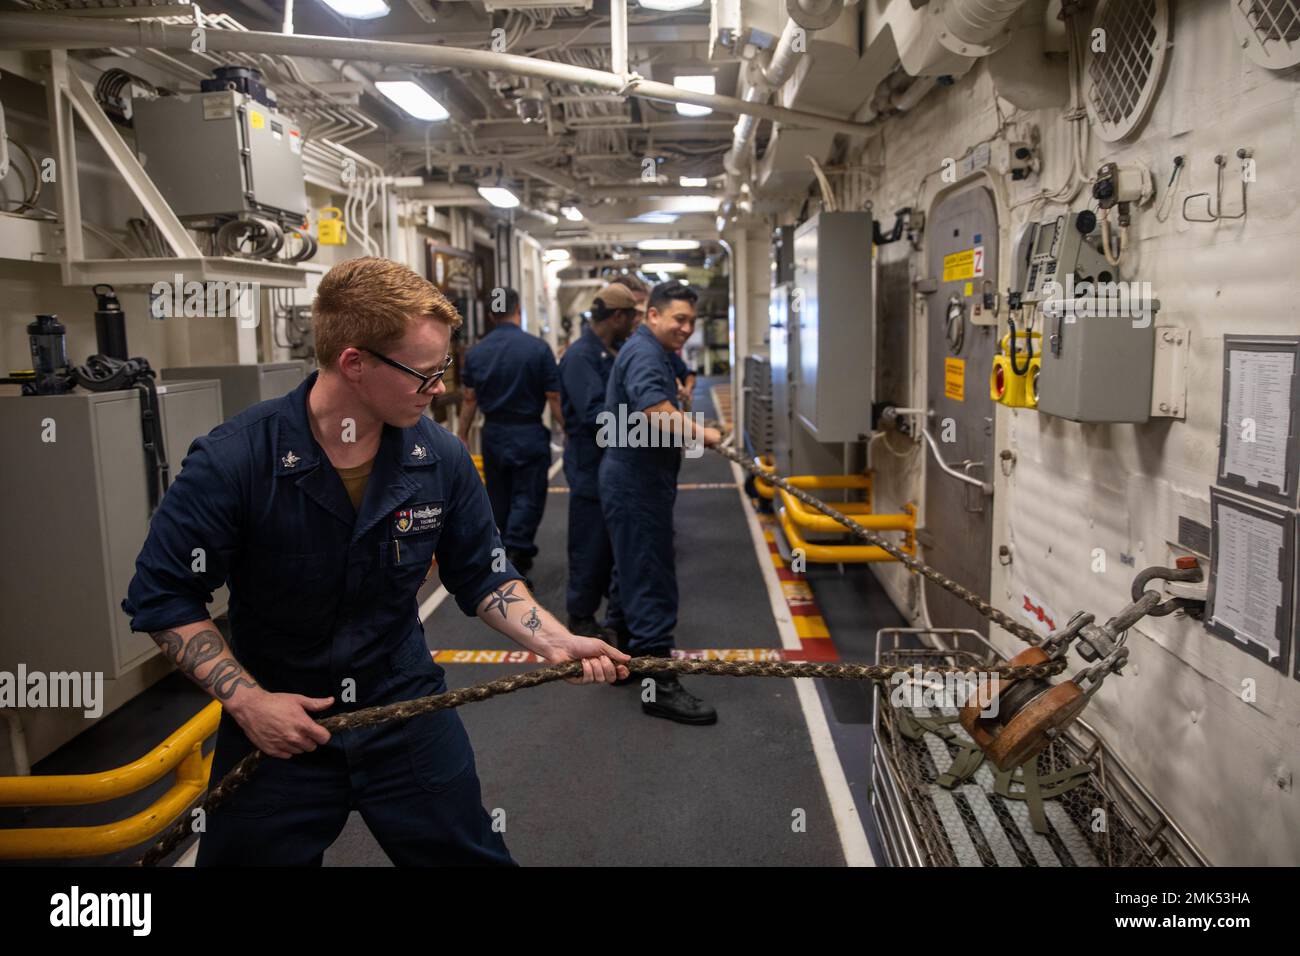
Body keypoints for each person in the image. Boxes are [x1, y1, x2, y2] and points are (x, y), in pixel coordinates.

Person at [122, 257, 628, 866]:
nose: (440, 387)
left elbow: (484, 573)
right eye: (424, 372)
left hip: (402, 706)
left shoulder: (438, 457)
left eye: (444, 368)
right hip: (282, 720)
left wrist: (552, 640)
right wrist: (250, 703)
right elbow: (163, 596)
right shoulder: (237, 462)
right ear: (353, 363)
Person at [600, 281, 722, 724]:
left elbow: (678, 372)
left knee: (630, 569)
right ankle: (659, 685)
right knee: (650, 574)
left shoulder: (655, 347)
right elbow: (654, 410)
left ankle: (625, 658)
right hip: (635, 481)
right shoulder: (643, 353)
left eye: (691, 321)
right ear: (652, 315)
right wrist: (700, 431)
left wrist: (684, 387)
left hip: (639, 477)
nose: (686, 329)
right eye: (679, 319)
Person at [456, 288, 563, 583]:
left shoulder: (477, 352)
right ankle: (516, 552)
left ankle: (502, 550)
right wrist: (567, 429)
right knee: (528, 495)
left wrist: (461, 435)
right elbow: (553, 395)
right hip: (528, 432)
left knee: (499, 496)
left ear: (490, 315)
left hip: (494, 434)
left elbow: (469, 399)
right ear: (518, 310)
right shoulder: (537, 349)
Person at [557, 283, 639, 640]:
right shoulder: (580, 357)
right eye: (631, 317)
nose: (634, 324)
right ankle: (580, 614)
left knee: (612, 542)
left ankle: (614, 607)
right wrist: (644, 419)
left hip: (617, 463)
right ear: (617, 316)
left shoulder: (615, 349)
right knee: (589, 542)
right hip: (590, 465)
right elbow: (594, 414)